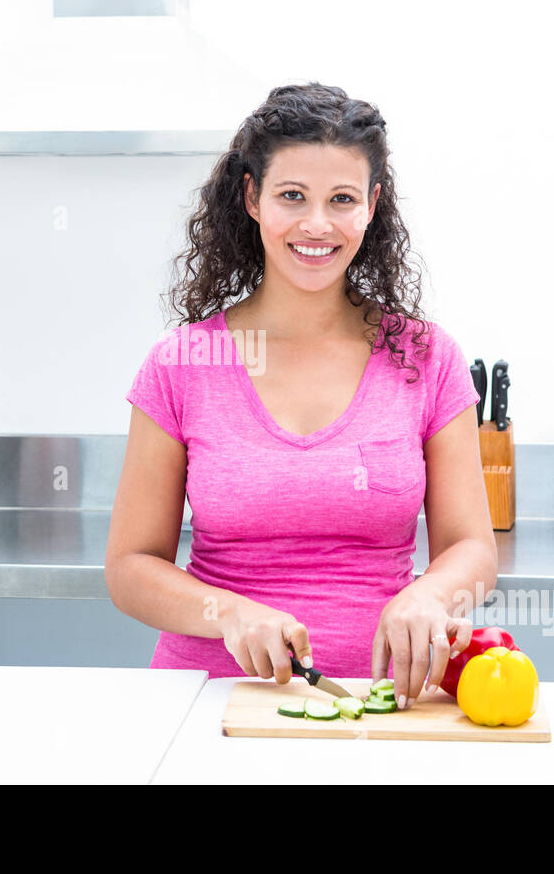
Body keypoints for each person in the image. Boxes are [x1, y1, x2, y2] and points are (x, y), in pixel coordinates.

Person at [105, 83, 497, 708]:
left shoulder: (428, 357)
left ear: (371, 206)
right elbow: (129, 568)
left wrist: (428, 595)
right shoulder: (182, 362)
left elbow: (472, 548)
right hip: (212, 702)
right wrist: (228, 613)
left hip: (384, 702)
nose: (317, 225)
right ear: (253, 197)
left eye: (341, 199)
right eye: (293, 196)